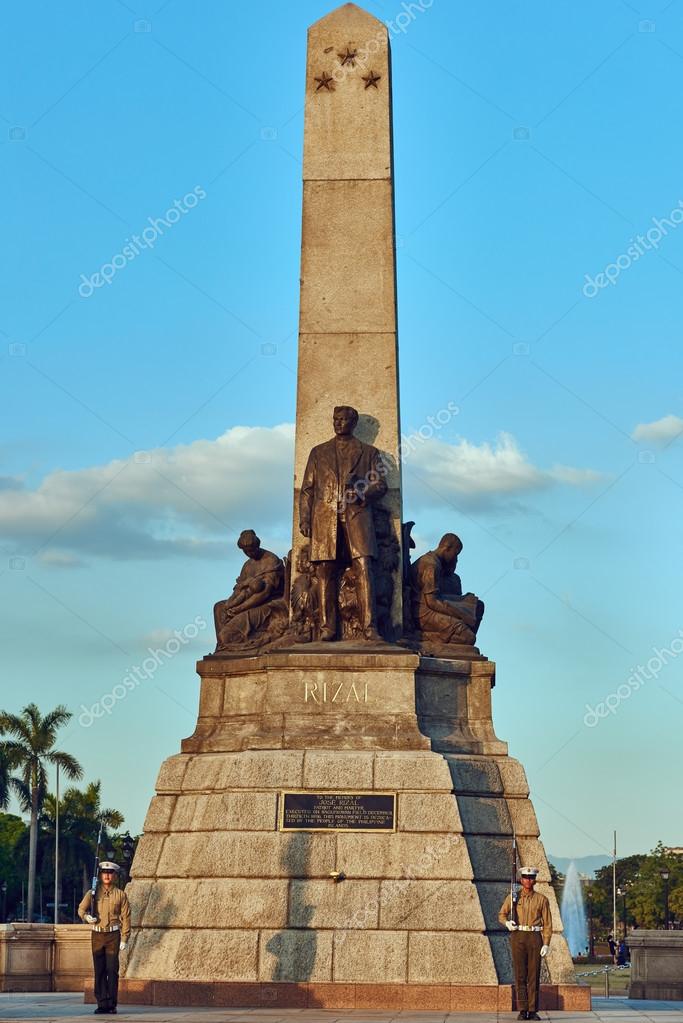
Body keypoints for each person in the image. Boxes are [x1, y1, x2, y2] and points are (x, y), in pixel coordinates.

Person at [299, 405, 387, 641]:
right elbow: (307, 489)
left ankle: (370, 627)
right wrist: (305, 519)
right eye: (335, 419)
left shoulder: (369, 452)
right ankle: (327, 627)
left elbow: (380, 485)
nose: (338, 423)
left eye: (343, 419)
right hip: (324, 519)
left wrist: (360, 491)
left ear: (353, 423)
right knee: (325, 570)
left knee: (364, 568)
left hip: (357, 516)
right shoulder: (318, 452)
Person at [213, 530, 286, 650]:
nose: (249, 553)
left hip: (268, 603)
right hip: (247, 599)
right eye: (245, 551)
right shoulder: (247, 565)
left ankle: (231, 642)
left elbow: (265, 593)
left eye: (251, 550)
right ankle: (223, 646)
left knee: (232, 625)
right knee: (219, 607)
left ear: (257, 545)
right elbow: (239, 589)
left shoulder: (271, 560)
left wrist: (240, 608)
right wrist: (230, 604)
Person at [410, 532, 484, 647]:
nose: (456, 558)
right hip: (423, 613)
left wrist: (464, 605)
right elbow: (431, 602)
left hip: (431, 606)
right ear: (447, 548)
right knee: (468, 637)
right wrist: (460, 613)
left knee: (476, 605)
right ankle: (421, 637)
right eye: (455, 554)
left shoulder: (436, 563)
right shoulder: (431, 565)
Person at [498, 866, 552, 1021]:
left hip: (534, 936)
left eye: (531, 878)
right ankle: (523, 1009)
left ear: (534, 880)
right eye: (525, 878)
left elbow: (547, 924)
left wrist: (546, 943)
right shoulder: (514, 897)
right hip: (518, 935)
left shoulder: (542, 899)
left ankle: (533, 1010)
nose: (528, 880)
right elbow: (502, 914)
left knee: (533, 975)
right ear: (521, 880)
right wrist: (507, 923)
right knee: (520, 975)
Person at [78, 861, 131, 1015]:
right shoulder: (92, 893)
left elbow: (126, 917)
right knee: (99, 970)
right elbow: (81, 909)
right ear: (100, 875)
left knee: (112, 970)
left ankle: (112, 1004)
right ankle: (102, 1003)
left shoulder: (120, 894)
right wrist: (87, 917)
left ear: (114, 876)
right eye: (104, 872)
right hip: (97, 935)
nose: (107, 875)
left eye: (110, 873)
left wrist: (125, 938)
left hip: (113, 936)